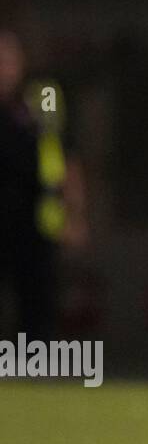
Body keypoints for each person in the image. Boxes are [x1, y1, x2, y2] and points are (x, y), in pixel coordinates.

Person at [0, 30, 87, 340]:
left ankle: (38, 369)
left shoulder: (43, 100)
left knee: (37, 311)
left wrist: (74, 215)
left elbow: (66, 161)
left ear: (21, 63)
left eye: (7, 60)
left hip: (35, 224)